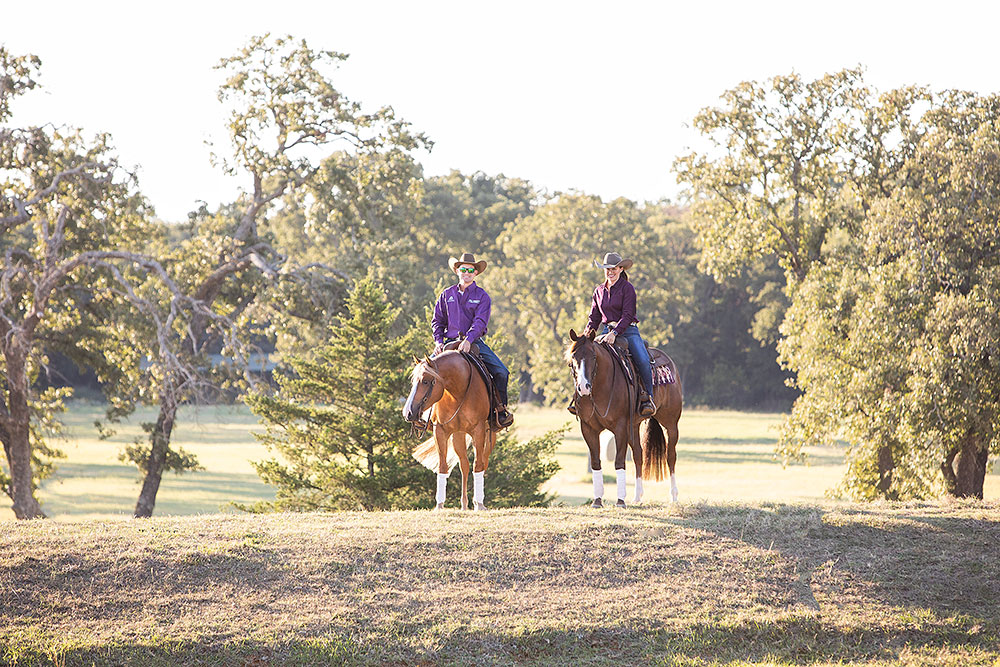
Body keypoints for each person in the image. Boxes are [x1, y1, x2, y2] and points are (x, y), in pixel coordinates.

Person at [432, 252, 514, 429]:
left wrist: (469, 339)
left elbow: (480, 321)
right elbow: (437, 321)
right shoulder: (446, 295)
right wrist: (438, 342)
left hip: (474, 342)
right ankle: (422, 415)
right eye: (463, 269)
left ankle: (499, 412)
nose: (466, 272)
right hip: (448, 342)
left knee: (501, 372)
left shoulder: (482, 296)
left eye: (470, 270)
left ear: (476, 273)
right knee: (423, 370)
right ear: (457, 271)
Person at [570, 251, 656, 418]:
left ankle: (648, 398)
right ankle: (580, 398)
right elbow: (594, 317)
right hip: (605, 331)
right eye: (607, 269)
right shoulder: (599, 291)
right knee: (585, 356)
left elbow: (628, 314)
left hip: (628, 330)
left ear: (621, 269)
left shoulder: (628, 289)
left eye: (614, 268)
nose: (610, 272)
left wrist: (616, 332)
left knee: (642, 359)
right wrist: (587, 333)